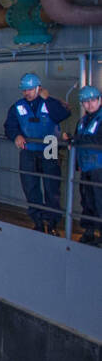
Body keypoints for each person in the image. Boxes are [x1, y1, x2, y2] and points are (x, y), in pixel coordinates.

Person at [3, 73, 71, 235]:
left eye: (30, 90)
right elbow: (9, 126)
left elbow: (63, 114)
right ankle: (38, 222)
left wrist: (48, 99)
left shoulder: (50, 103)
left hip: (50, 147)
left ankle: (52, 224)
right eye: (24, 90)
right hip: (29, 150)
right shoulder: (18, 106)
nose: (27, 93)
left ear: (38, 88)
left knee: (51, 188)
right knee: (30, 187)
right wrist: (16, 135)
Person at [67, 85, 102, 244]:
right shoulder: (83, 121)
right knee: (87, 200)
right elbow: (77, 140)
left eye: (93, 100)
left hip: (99, 168)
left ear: (99, 100)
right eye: (86, 102)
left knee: (100, 200)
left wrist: (75, 140)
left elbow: (98, 139)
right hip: (87, 167)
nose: (90, 104)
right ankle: (89, 231)